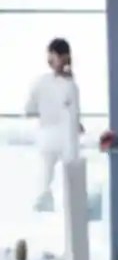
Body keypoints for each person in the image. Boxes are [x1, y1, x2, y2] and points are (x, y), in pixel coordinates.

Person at [24, 38, 82, 212]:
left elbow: (29, 109)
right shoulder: (68, 85)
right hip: (60, 137)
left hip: (53, 136)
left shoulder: (47, 83)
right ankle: (61, 203)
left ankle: (47, 199)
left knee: (48, 173)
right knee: (63, 175)